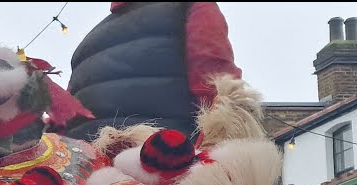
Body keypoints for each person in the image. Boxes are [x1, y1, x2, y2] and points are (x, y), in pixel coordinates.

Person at [64, 2, 242, 141]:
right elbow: (219, 89)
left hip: (87, 174)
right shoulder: (189, 7)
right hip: (168, 167)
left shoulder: (87, 43)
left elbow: (63, 116)